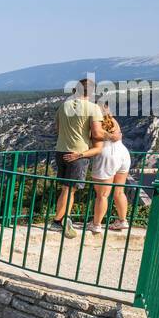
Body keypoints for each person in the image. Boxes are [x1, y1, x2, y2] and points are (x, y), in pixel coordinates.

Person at [50, 77, 103, 238]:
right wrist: (113, 136)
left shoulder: (63, 106)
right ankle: (59, 221)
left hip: (61, 151)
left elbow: (57, 130)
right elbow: (97, 133)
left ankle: (59, 219)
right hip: (78, 154)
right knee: (69, 189)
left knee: (65, 188)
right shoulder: (93, 108)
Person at [71, 101, 130, 233]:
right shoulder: (114, 121)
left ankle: (96, 224)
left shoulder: (95, 124)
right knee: (119, 191)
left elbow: (93, 137)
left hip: (106, 156)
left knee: (102, 195)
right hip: (123, 154)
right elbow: (117, 136)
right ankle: (122, 221)